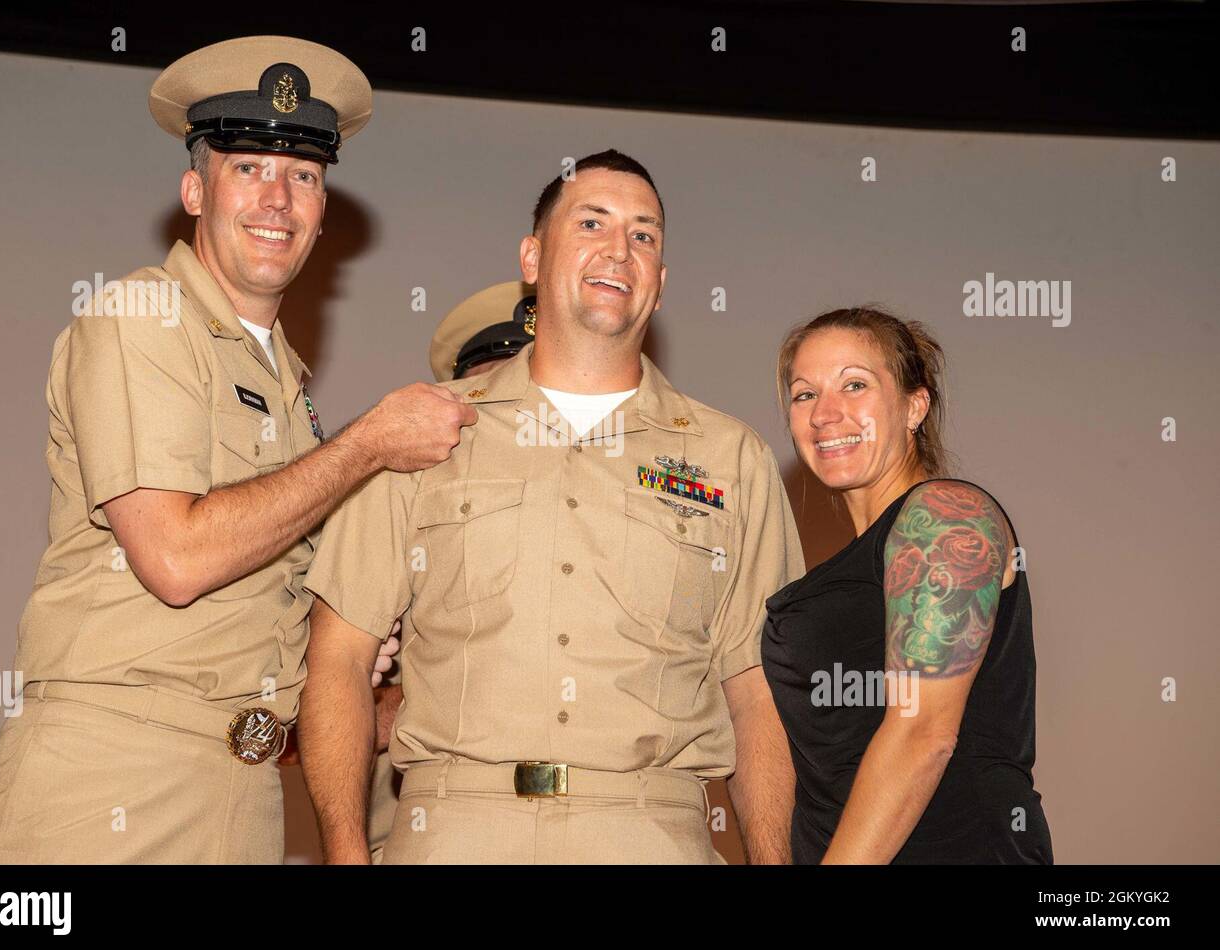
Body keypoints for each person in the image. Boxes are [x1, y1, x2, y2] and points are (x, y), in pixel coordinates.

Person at [0, 36, 474, 864]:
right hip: (113, 777)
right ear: (194, 190)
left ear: (323, 206)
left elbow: (256, 576)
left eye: (304, 177)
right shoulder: (141, 318)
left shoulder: (285, 382)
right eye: (249, 168)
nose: (278, 199)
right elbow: (176, 555)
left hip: (246, 787)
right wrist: (371, 443)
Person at [300, 149, 806, 864]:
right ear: (533, 258)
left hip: (651, 833)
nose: (618, 250)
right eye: (592, 222)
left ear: (660, 283)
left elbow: (757, 691)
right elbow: (339, 657)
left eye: (643, 234)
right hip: (453, 831)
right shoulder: (422, 430)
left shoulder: (731, 458)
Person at [761, 306, 1054, 863]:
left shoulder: (948, 515)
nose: (826, 413)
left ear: (914, 406)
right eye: (804, 395)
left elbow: (923, 735)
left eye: (854, 385)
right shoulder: (843, 570)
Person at [365, 280, 537, 860]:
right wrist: (400, 703)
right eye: (491, 386)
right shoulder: (396, 492)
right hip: (426, 828)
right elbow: (311, 676)